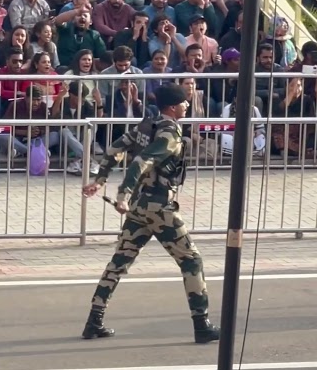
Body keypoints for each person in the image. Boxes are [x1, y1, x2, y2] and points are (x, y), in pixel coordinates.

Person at [80, 84, 219, 343]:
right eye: (184, 102)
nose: (187, 106)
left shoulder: (148, 125)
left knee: (119, 262)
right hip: (159, 208)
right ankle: (202, 324)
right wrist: (122, 193)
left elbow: (114, 149)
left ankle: (93, 321)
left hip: (139, 208)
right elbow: (140, 161)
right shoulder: (170, 133)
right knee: (191, 260)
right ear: (172, 107)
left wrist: (100, 179)